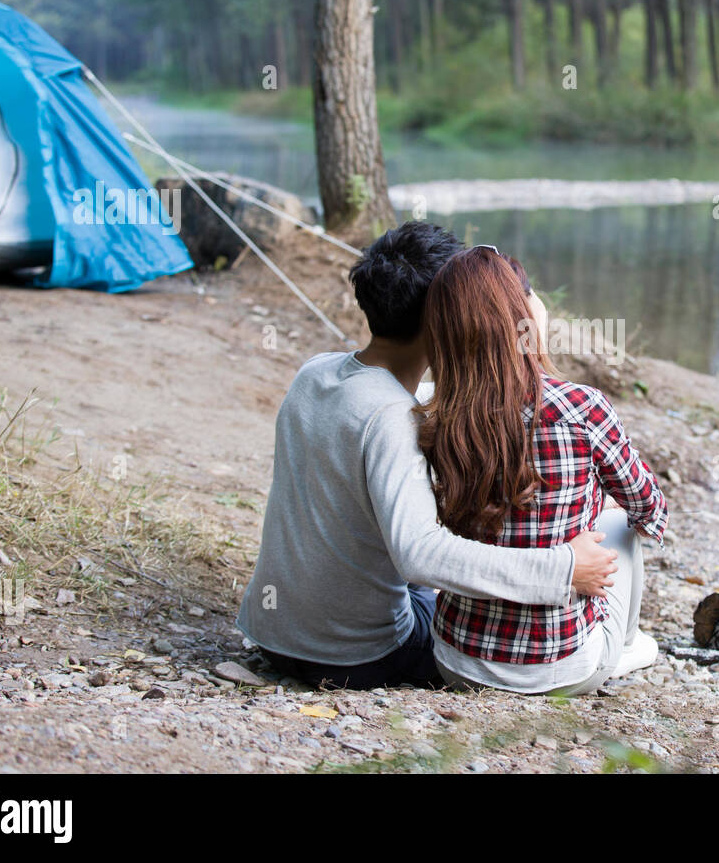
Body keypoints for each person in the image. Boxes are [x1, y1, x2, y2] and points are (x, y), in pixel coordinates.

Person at [236, 223, 618, 691]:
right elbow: (420, 556)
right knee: (482, 625)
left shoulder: (315, 372)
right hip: (357, 655)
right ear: (445, 321)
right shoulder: (394, 419)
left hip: (273, 632)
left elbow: (439, 400)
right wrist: (564, 568)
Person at [415, 246, 668, 696]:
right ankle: (624, 645)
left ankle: (626, 646)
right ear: (524, 314)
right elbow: (648, 509)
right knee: (618, 522)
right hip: (562, 669)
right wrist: (593, 498)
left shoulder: (433, 415)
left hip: (455, 661)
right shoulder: (581, 407)